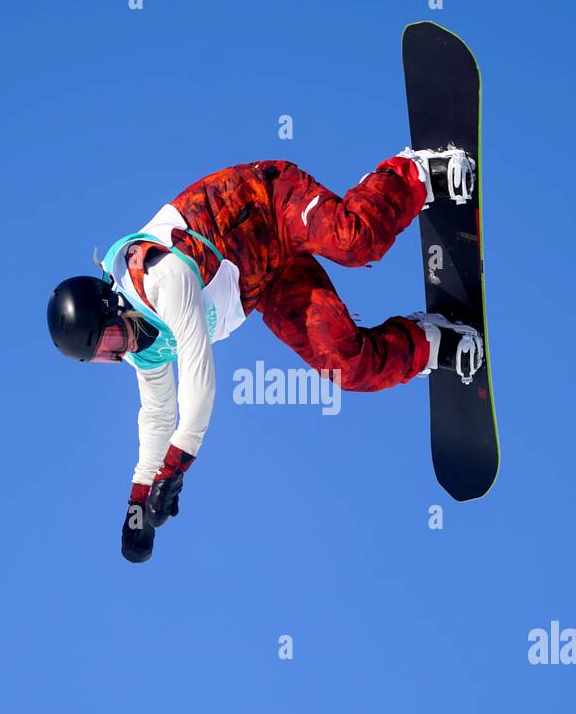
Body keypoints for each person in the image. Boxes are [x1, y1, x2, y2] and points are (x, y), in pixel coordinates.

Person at [47, 148, 482, 563]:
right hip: (265, 283)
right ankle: (432, 341)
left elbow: (199, 378)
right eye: (104, 356)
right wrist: (138, 501)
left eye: (107, 341)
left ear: (111, 303)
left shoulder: (159, 275)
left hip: (270, 206)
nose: (118, 353)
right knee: (345, 365)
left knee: (354, 239)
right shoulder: (142, 347)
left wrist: (176, 466)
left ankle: (418, 173)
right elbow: (157, 415)